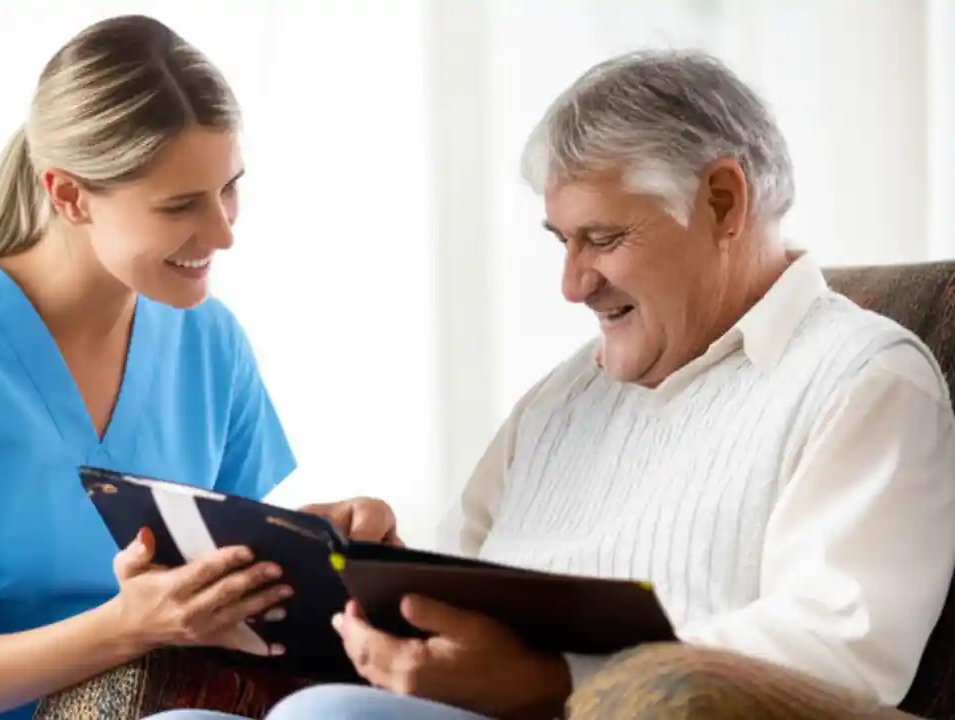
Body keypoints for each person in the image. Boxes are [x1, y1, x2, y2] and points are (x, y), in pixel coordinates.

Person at [151, 49, 955, 720]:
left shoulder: (864, 381)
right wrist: (371, 574)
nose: (573, 285)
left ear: (722, 200)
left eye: (602, 238)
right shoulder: (565, 397)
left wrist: (552, 683)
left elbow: (844, 659)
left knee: (327, 717)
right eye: (561, 241)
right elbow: (469, 576)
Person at [0, 15, 397, 720]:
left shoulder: (210, 342)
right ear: (68, 194)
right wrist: (128, 626)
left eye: (228, 188)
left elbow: (202, 598)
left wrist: (320, 559)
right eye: (180, 204)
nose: (224, 233)